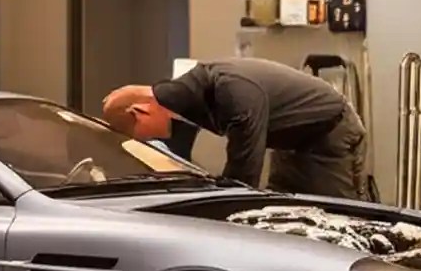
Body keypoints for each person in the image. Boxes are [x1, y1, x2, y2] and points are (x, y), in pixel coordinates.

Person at [102, 57, 368, 200]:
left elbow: (244, 172)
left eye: (141, 135)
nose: (149, 139)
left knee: (337, 218)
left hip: (330, 134)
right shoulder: (190, 95)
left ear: (140, 111)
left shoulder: (231, 92)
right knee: (284, 211)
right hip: (292, 141)